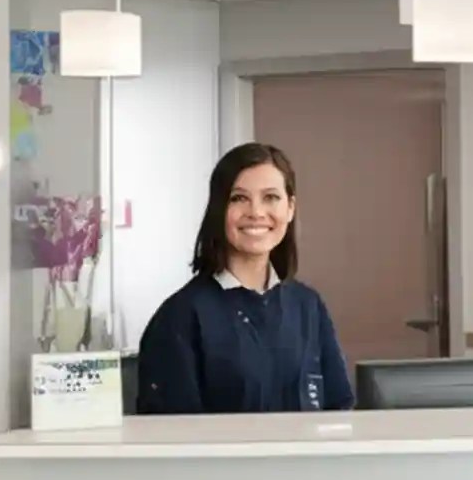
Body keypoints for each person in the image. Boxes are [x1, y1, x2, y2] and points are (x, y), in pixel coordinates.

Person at [136, 143, 354, 414]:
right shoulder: (180, 317)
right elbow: (173, 439)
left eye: (271, 197)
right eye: (239, 198)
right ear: (219, 209)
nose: (256, 212)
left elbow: (339, 409)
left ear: (290, 208)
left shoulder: (308, 306)